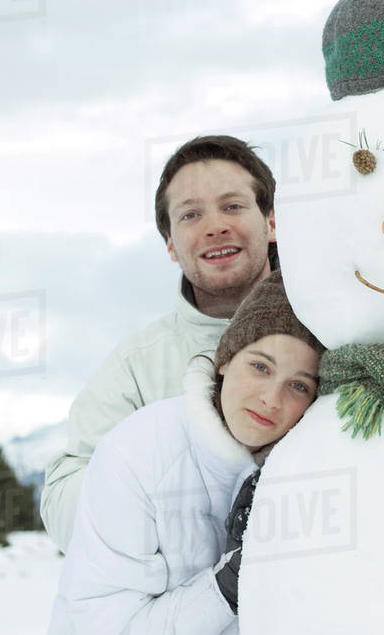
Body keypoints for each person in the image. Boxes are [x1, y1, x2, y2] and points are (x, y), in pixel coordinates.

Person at [44, 271, 325, 635]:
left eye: (298, 386)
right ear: (225, 359)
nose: (270, 398)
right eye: (260, 367)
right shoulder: (137, 453)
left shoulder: (303, 473)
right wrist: (230, 582)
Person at [41, 134, 279, 551]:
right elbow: (64, 497)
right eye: (190, 215)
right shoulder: (136, 366)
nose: (215, 226)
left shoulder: (335, 328)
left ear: (272, 222)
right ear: (170, 243)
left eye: (233, 206)